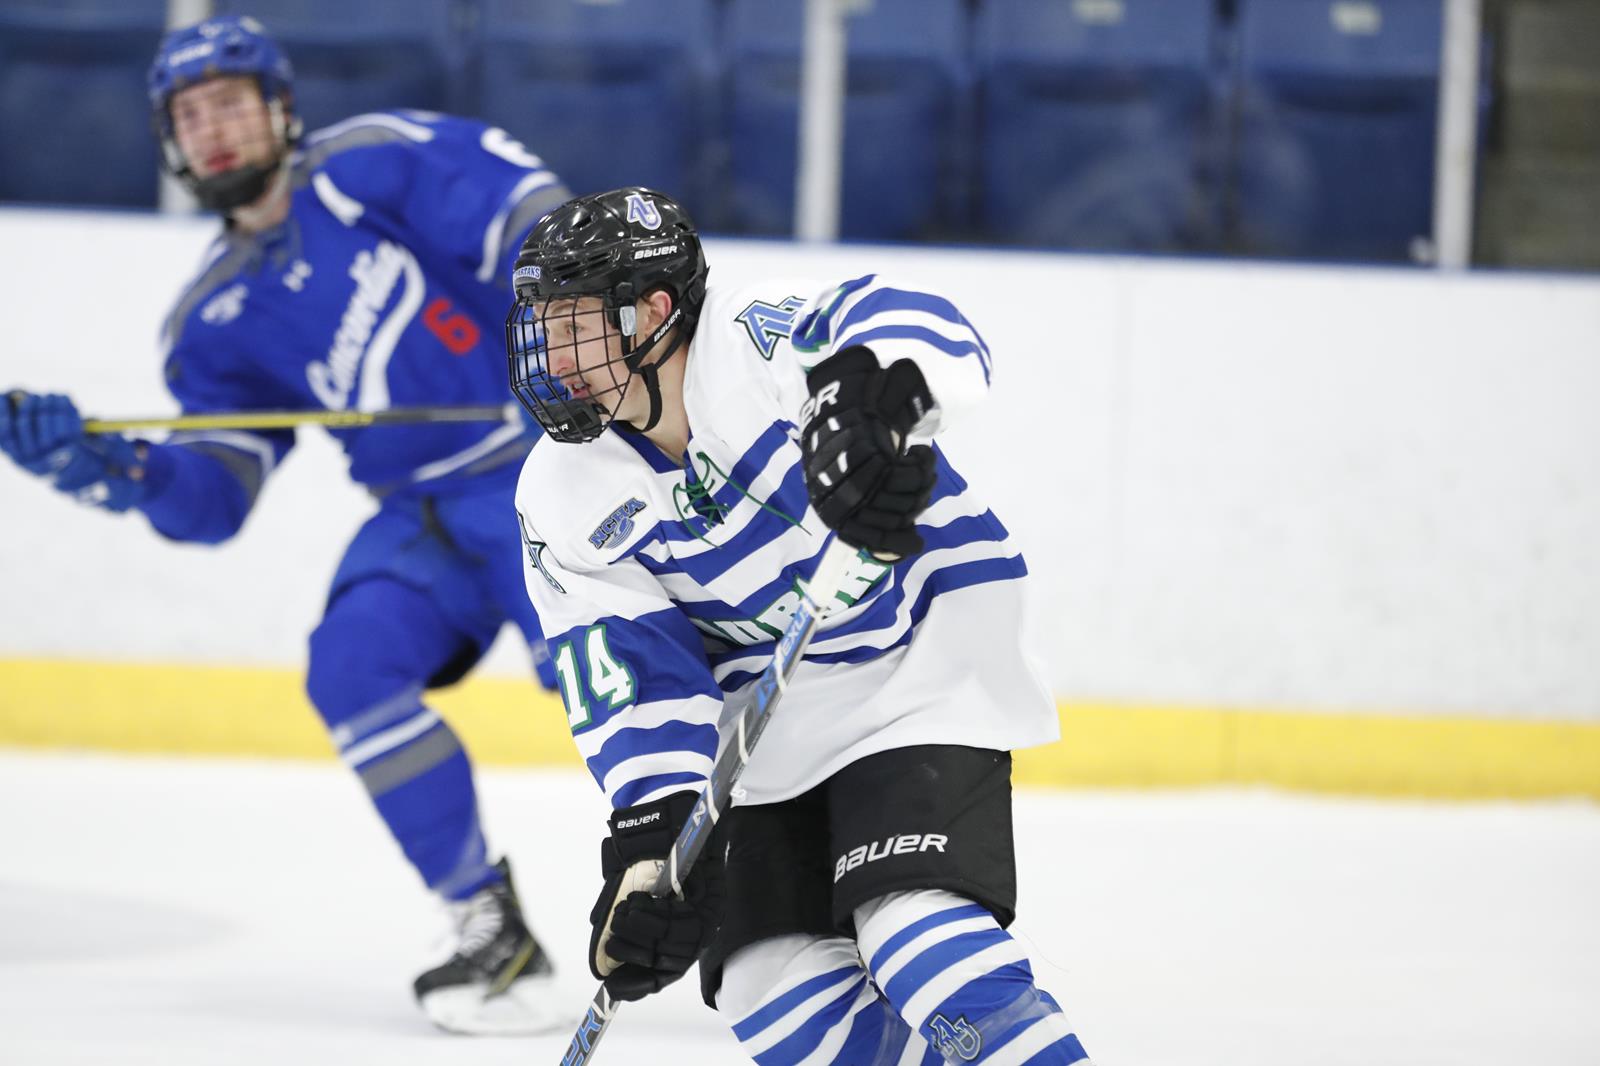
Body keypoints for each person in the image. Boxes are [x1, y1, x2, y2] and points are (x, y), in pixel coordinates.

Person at [0, 15, 572, 1035]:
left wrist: (574, 360)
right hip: (422, 515)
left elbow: (542, 222)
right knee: (350, 668)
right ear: (170, 142)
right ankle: (487, 923)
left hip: (550, 470)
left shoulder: (368, 165)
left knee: (613, 682)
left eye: (229, 103)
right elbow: (215, 500)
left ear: (279, 107)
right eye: (190, 115)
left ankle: (788, 883)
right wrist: (111, 468)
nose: (213, 129)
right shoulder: (213, 318)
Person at [505, 187, 1096, 1064]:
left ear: (654, 312)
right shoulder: (559, 492)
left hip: (911, 676)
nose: (555, 356)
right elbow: (638, 684)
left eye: (575, 325)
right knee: (770, 990)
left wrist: (866, 407)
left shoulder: (755, 339)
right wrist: (653, 848)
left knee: (916, 936)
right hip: (761, 745)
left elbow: (912, 320)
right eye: (543, 327)